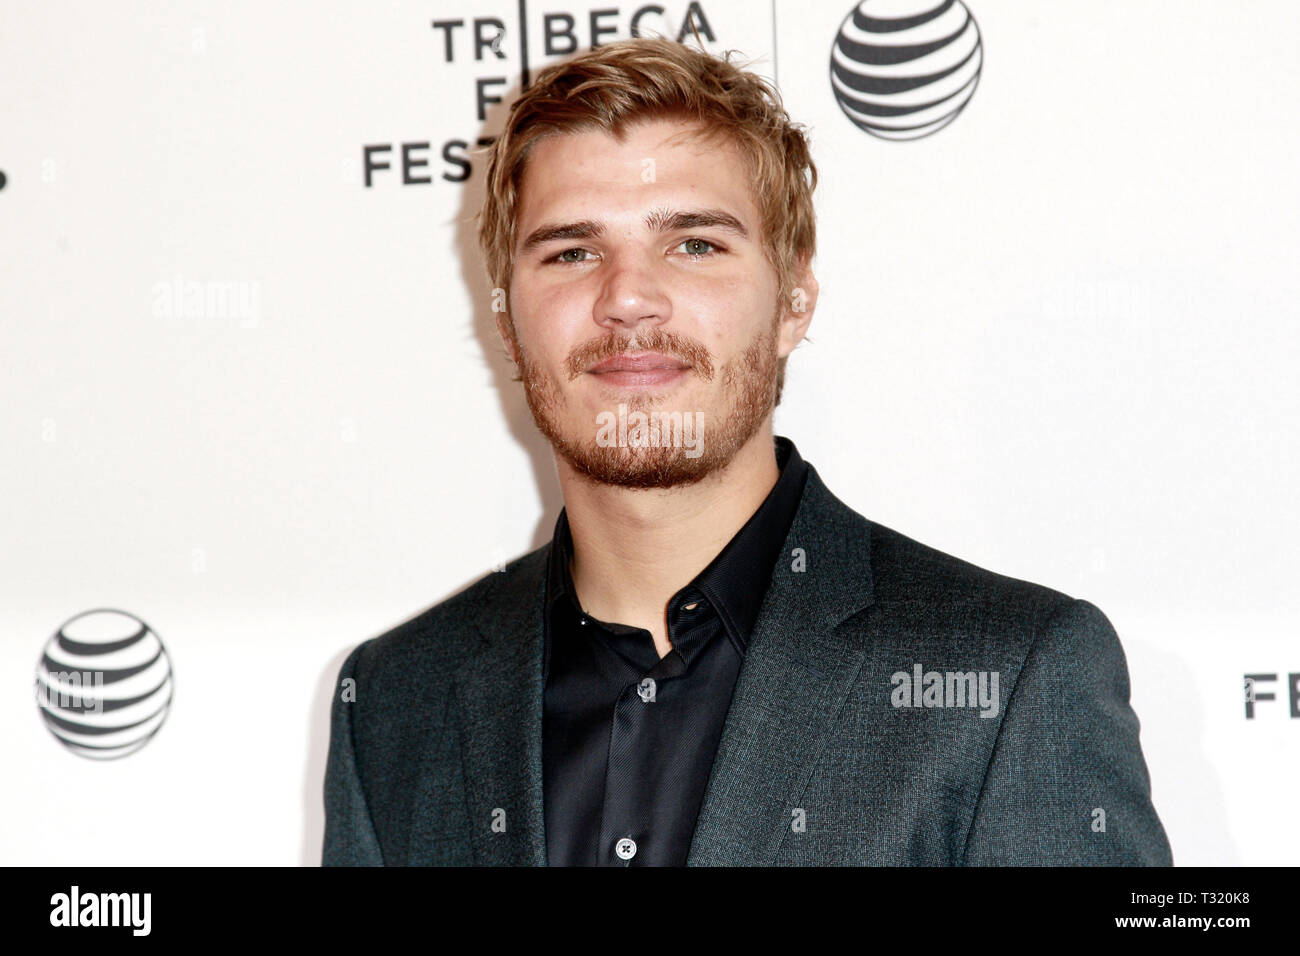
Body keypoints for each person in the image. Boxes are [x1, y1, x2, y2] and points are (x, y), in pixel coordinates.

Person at [322, 36, 1172, 866]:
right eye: (572, 251)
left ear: (794, 300)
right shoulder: (396, 701)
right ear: (508, 321)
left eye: (694, 244)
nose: (627, 298)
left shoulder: (1007, 676)